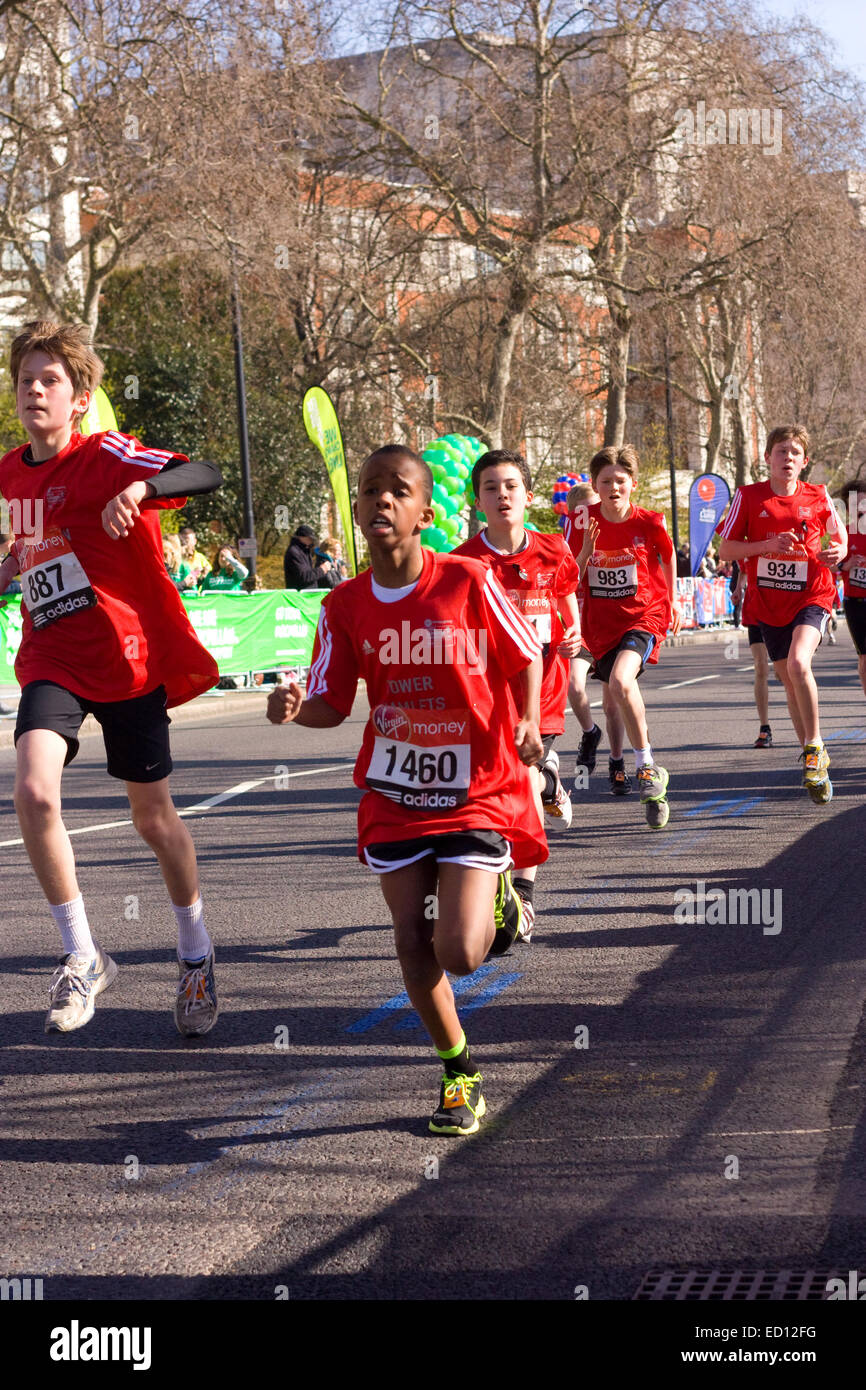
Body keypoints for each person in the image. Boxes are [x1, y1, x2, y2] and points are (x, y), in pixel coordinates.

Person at [267, 443, 546, 1136]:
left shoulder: (467, 580)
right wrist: (295, 707)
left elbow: (525, 655)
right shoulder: (343, 605)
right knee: (410, 940)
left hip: (476, 783)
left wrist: (531, 726)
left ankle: (502, 898)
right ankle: (459, 1071)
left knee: (460, 951)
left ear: (425, 511)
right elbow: (332, 703)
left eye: (398, 491)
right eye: (369, 491)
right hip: (394, 787)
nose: (382, 500)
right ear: (356, 510)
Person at [0, 318, 223, 1035]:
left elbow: (204, 472)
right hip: (52, 658)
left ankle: (194, 954)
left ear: (79, 396)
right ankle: (83, 955)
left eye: (50, 380)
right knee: (33, 791)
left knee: (153, 820)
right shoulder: (9, 473)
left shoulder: (105, 454)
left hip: (127, 663)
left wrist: (142, 490)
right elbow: (26, 549)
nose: (35, 390)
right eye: (25, 380)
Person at [453, 448, 578, 942]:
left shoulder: (553, 551)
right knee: (498, 794)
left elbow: (568, 605)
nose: (502, 495)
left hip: (541, 695)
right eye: (490, 488)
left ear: (528, 496)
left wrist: (575, 633)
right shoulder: (464, 561)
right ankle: (550, 784)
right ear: (479, 501)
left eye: (510, 486)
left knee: (521, 785)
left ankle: (523, 897)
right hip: (488, 700)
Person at [717, 424, 847, 804]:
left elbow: (838, 540)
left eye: (794, 453)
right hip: (768, 604)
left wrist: (836, 553)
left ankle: (815, 746)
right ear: (768, 458)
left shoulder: (819, 496)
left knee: (797, 664)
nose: (787, 458)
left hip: (812, 595)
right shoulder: (748, 497)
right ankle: (812, 754)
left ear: (804, 462)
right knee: (788, 682)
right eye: (781, 452)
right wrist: (767, 545)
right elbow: (726, 550)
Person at [565, 445, 681, 829]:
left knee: (619, 681)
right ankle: (638, 763)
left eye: (620, 480)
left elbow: (667, 557)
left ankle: (645, 765)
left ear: (632, 483)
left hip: (642, 617)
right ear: (595, 485)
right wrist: (585, 552)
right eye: (605, 481)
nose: (613, 487)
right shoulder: (582, 519)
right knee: (614, 693)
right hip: (599, 624)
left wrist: (674, 600)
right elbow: (569, 575)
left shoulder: (649, 521)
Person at [563, 481, 629, 795]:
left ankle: (617, 763)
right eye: (583, 512)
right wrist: (585, 554)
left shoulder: (618, 531)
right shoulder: (567, 539)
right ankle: (590, 732)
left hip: (611, 623)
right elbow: (566, 579)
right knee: (574, 685)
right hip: (582, 626)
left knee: (612, 701)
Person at [729, 561, 773, 748]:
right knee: (760, 668)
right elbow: (743, 570)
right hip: (755, 611)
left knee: (786, 672)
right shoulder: (747, 544)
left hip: (783, 610)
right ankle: (765, 728)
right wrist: (739, 588)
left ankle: (805, 729)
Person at [837, 481, 866, 699]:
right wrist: (844, 566)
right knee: (864, 656)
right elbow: (828, 564)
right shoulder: (844, 535)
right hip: (854, 602)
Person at [283, 524, 319, 590]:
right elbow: (304, 577)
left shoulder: (305, 551)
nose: (311, 540)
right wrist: (322, 570)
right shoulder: (294, 552)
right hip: (300, 596)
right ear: (301, 537)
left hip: (307, 594)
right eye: (309, 538)